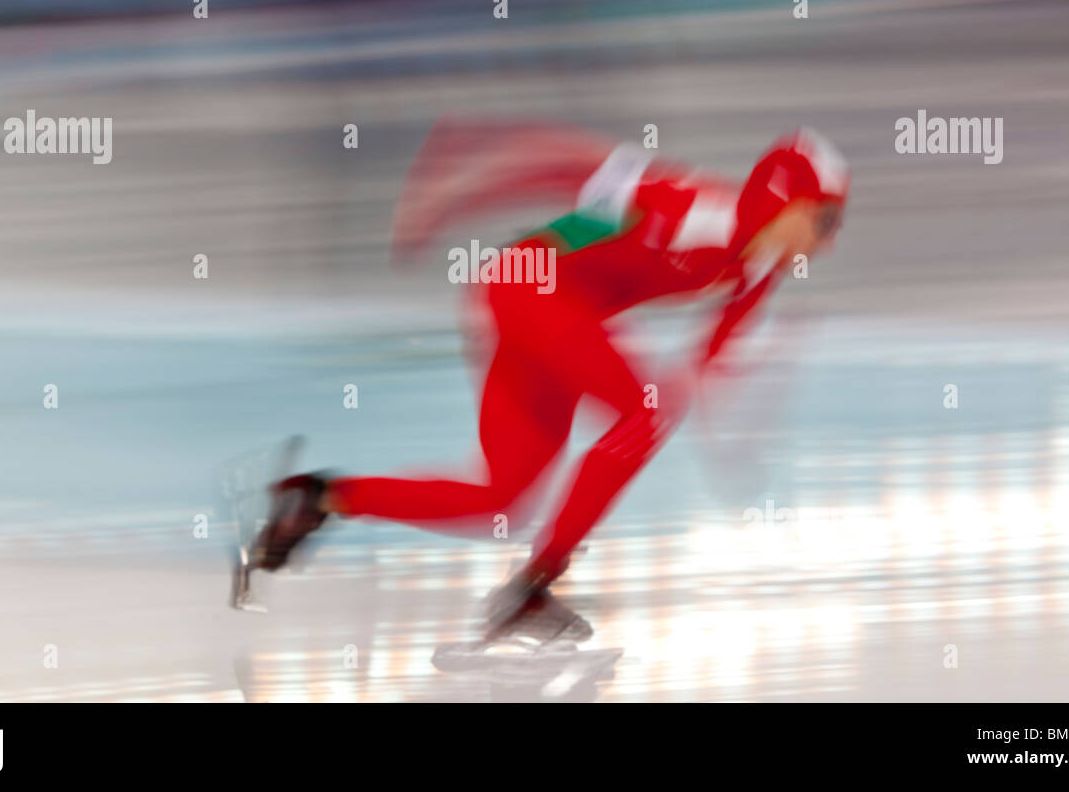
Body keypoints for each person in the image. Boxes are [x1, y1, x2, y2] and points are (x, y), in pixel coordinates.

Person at [234, 120, 849, 632]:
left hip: (544, 307)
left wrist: (744, 415)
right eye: (823, 220)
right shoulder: (690, 206)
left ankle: (318, 498)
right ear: (782, 198)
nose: (828, 242)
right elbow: (563, 164)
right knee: (647, 413)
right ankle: (536, 582)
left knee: (503, 499)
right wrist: (451, 196)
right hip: (530, 284)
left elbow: (709, 363)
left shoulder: (759, 267)